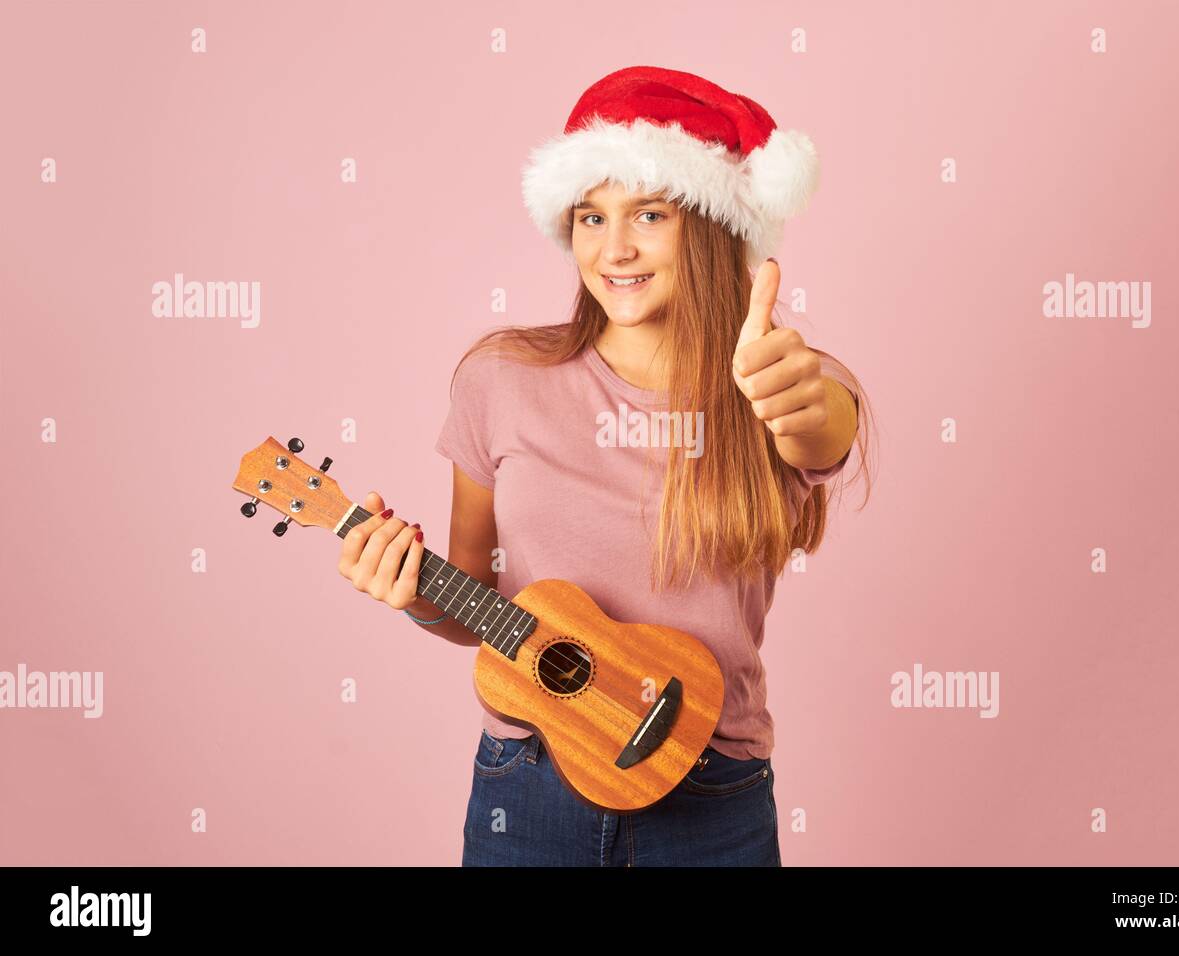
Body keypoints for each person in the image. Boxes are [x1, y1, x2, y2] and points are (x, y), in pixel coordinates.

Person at [337, 65, 874, 866]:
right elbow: (474, 603)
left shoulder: (777, 382)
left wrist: (803, 401)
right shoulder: (500, 381)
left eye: (648, 213)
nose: (613, 248)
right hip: (527, 790)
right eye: (591, 216)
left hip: (711, 792)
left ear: (711, 225)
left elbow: (821, 432)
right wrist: (413, 595)